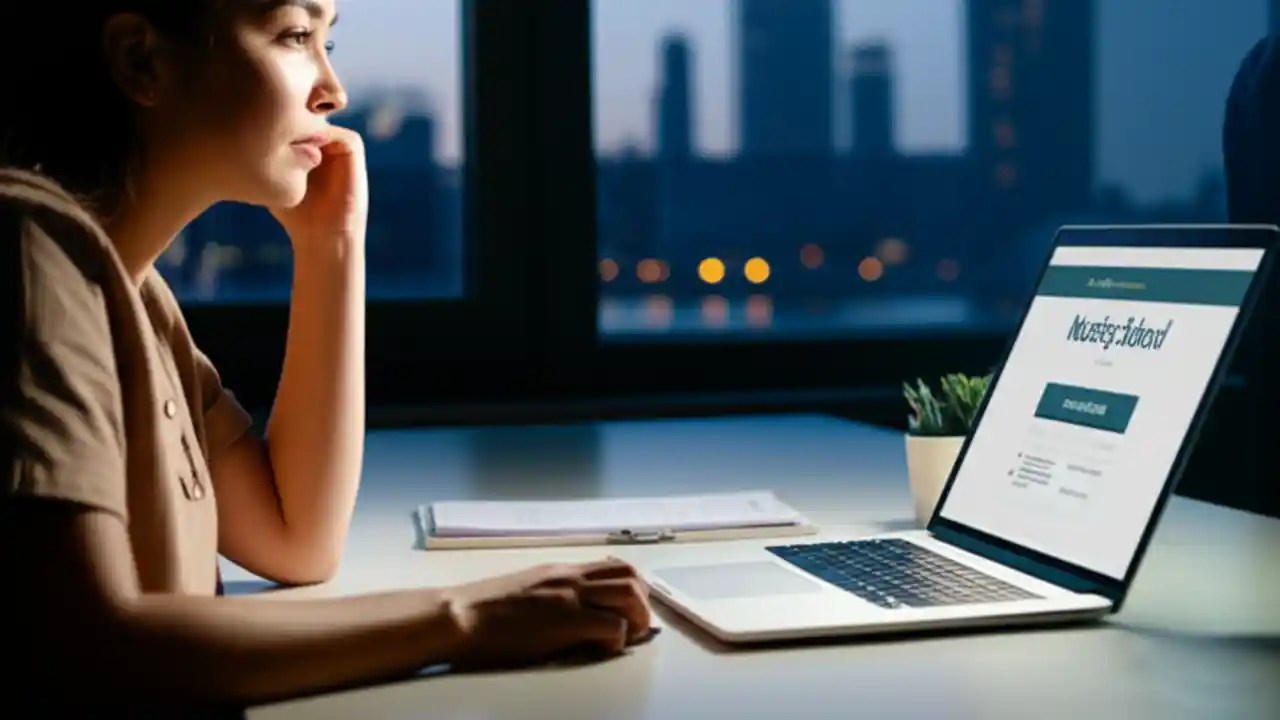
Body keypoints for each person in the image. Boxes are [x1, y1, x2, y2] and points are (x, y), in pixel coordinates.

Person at [0, 0, 651, 711]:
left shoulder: (134, 293)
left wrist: (330, 248)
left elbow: (295, 537)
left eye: (327, 40)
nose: (333, 90)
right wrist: (466, 617)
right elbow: (89, 646)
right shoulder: (28, 252)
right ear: (142, 61)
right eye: (296, 35)